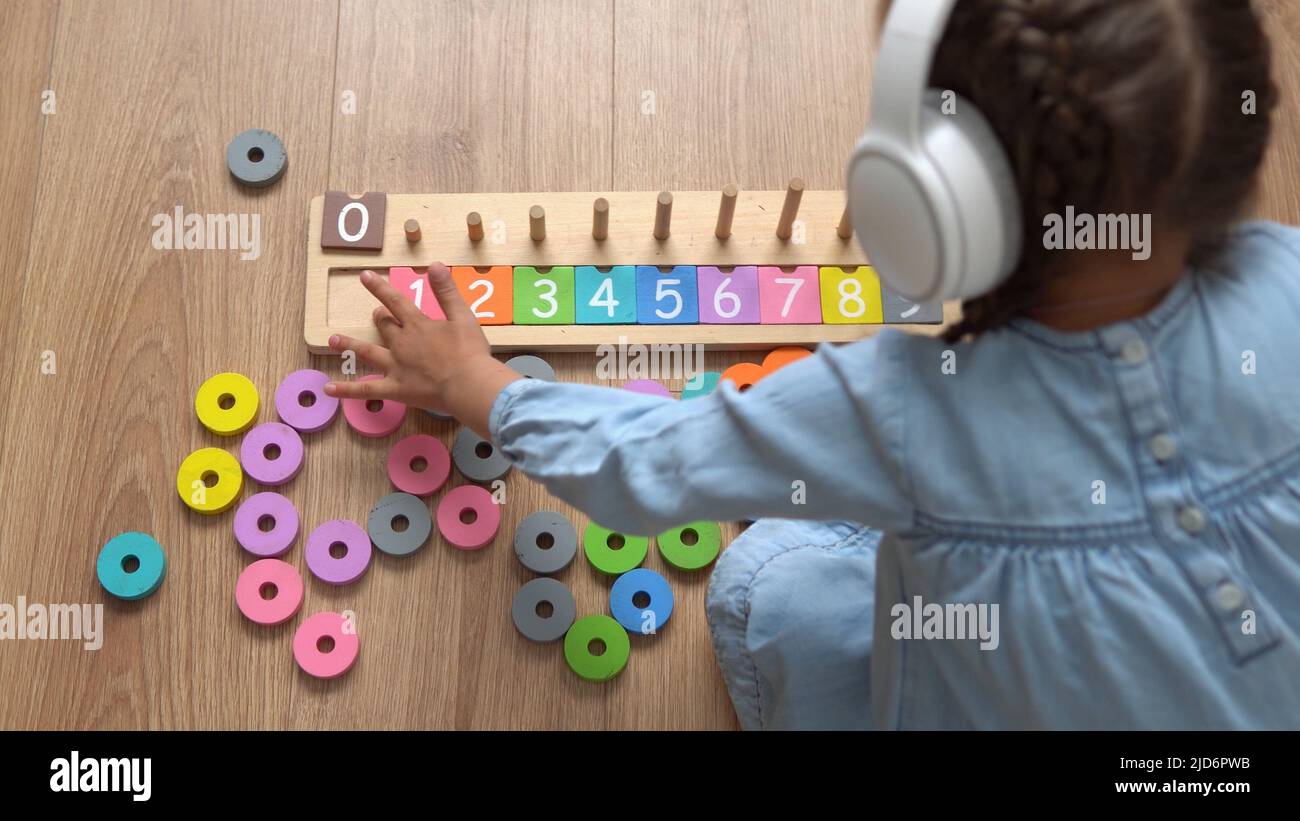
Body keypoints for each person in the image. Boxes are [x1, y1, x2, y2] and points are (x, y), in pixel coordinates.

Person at [325, 0, 1298, 729]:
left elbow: (651, 462)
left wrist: (480, 389)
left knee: (771, 574)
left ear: (926, 200)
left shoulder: (902, 406)